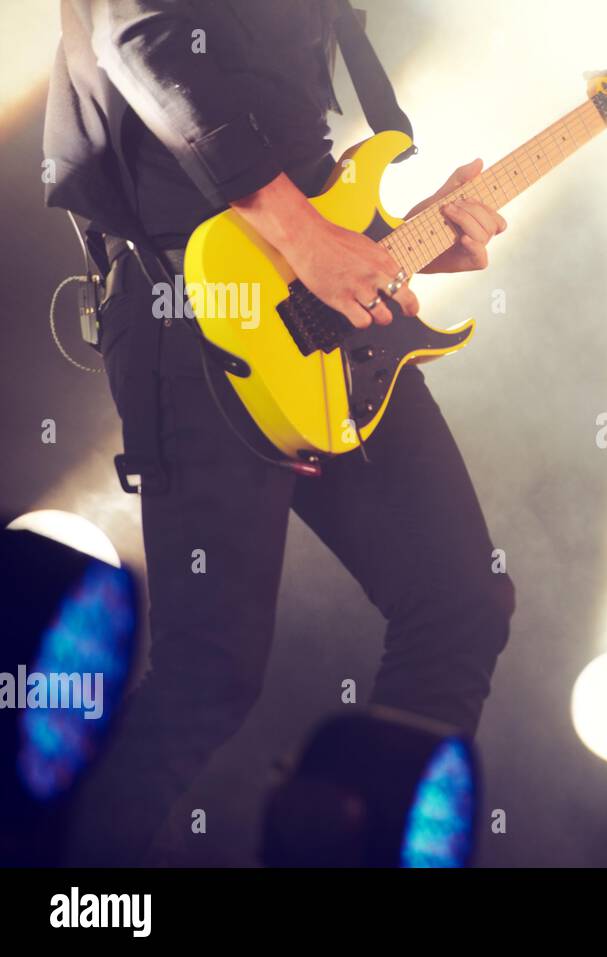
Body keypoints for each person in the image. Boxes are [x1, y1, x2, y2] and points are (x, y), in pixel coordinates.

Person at [43, 0, 514, 865]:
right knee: (208, 672)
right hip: (189, 306)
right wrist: (305, 237)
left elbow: (291, 149)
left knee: (459, 602)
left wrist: (392, 244)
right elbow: (138, 35)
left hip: (309, 312)